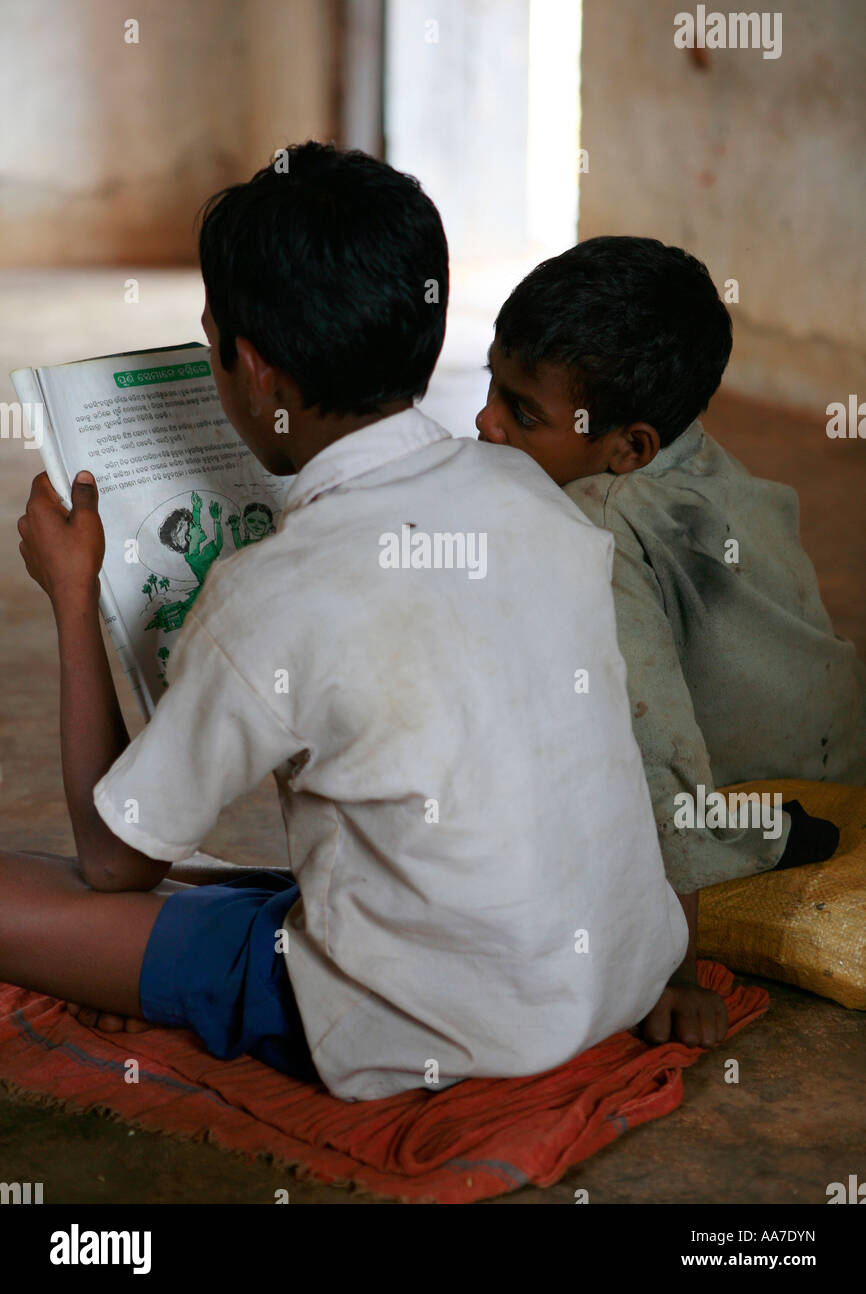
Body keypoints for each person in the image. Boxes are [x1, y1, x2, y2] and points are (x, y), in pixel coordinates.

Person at [8, 149, 688, 1101]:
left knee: (22, 889)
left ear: (256, 371)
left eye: (212, 346)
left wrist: (73, 596)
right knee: (229, 878)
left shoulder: (264, 595)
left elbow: (114, 861)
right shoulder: (531, 492)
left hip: (433, 1019)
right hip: (609, 970)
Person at [476, 235, 866, 1047]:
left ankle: (770, 838)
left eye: (522, 413)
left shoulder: (600, 526)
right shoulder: (694, 461)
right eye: (491, 385)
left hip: (757, 799)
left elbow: (656, 753)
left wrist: (672, 969)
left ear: (629, 448)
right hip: (837, 748)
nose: (484, 423)